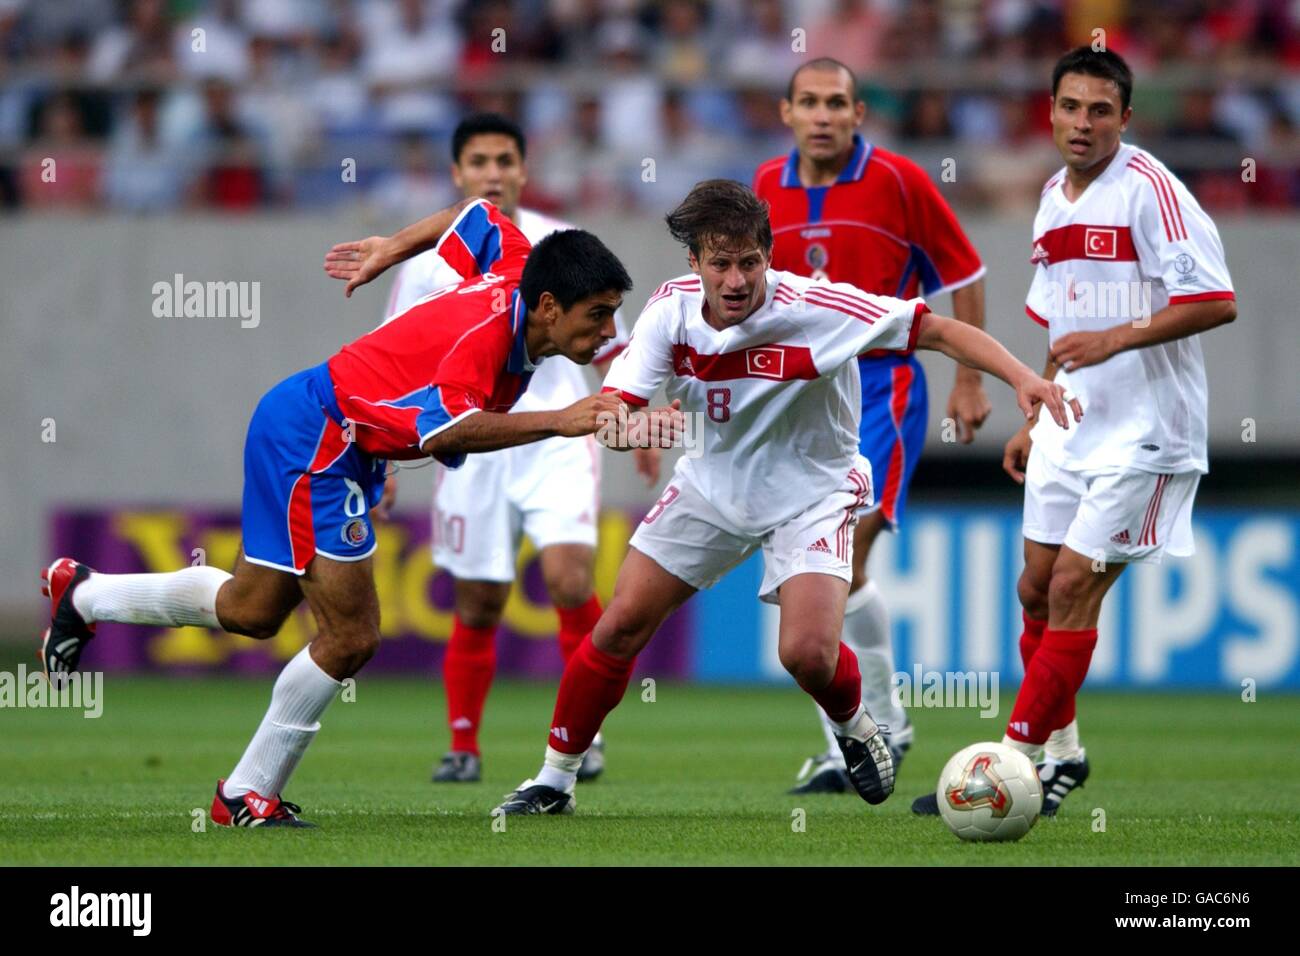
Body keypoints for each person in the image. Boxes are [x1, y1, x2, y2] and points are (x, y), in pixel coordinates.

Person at [39, 197, 637, 828]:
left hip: (315, 426)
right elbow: (448, 432)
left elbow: (479, 214)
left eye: (612, 315)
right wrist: (562, 421)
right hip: (318, 445)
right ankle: (246, 793)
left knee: (253, 610)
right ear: (548, 306)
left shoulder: (524, 264)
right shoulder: (482, 343)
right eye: (598, 316)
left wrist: (391, 249)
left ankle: (86, 594)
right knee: (352, 636)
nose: (608, 333)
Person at [488, 179, 1080, 815]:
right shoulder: (670, 312)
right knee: (618, 625)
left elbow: (933, 330)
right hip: (711, 487)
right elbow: (613, 415)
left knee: (804, 653)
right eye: (720, 263)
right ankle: (554, 780)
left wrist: (1022, 377)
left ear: (770, 256)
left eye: (750, 262)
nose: (736, 280)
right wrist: (633, 427)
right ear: (695, 264)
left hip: (814, 494)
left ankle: (857, 726)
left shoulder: (818, 308)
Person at [912, 47, 1236, 818]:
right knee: (1032, 585)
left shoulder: (1153, 192)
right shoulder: (1053, 197)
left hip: (1148, 432)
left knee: (1070, 586)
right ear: (1049, 111)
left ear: (1125, 118)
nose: (1082, 123)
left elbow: (1217, 301)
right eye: (1069, 107)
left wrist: (1116, 338)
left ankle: (1003, 768)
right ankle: (1064, 754)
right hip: (1071, 420)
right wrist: (1036, 410)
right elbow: (1063, 331)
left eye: (1099, 111)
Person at [373, 114, 656, 784]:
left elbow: (616, 343)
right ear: (457, 174)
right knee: (479, 602)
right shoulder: (424, 266)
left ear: (525, 170)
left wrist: (637, 416)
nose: (493, 173)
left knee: (569, 580)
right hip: (471, 445)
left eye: (505, 159)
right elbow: (396, 365)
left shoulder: (558, 245)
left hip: (558, 437)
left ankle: (582, 739)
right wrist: (381, 459)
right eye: (479, 161)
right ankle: (463, 744)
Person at [753, 58, 990, 793]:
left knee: (847, 554)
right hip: (799, 401)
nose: (823, 115)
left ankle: (879, 727)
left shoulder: (898, 181)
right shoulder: (762, 189)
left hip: (883, 388)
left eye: (837, 103)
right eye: (809, 103)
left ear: (859, 114)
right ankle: (853, 739)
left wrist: (970, 376)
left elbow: (964, 272)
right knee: (809, 575)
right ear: (786, 111)